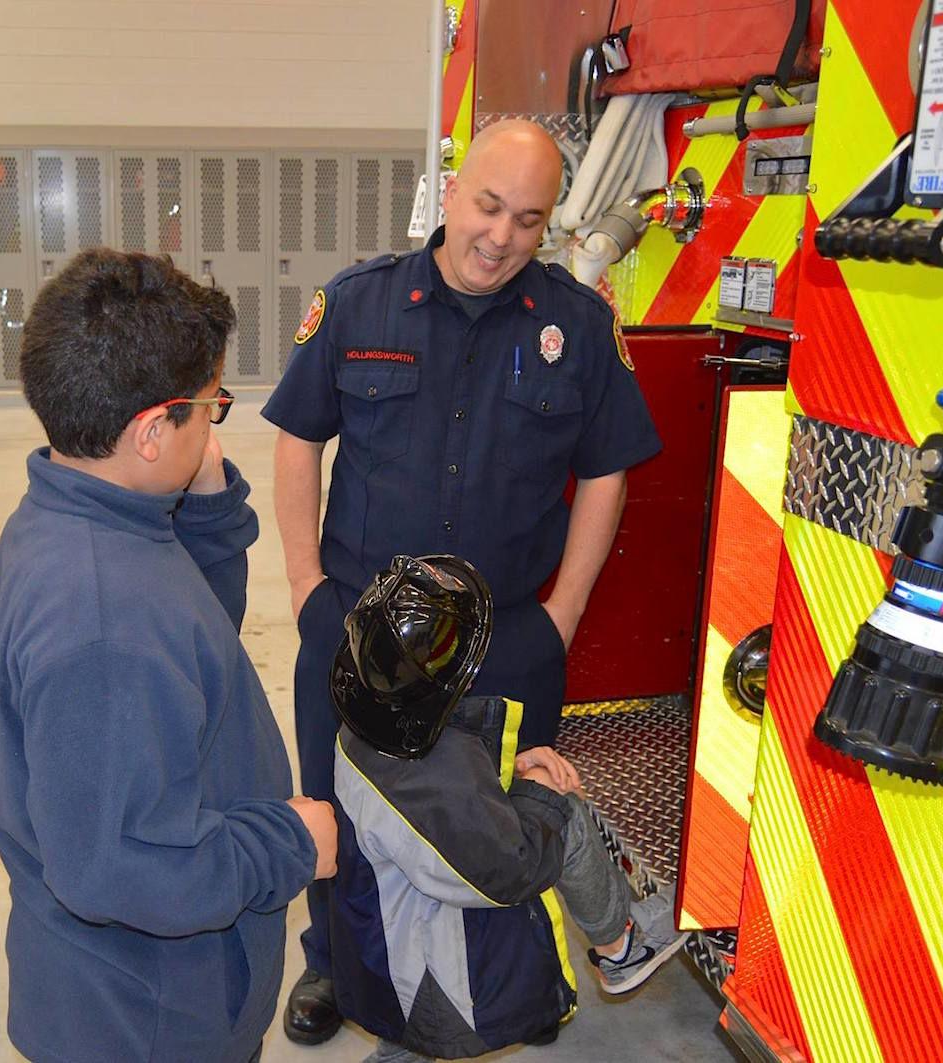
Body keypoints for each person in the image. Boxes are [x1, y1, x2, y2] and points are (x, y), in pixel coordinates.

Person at [261, 118, 664, 1043]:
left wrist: (563, 612)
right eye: (488, 206)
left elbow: (609, 470)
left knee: (503, 816)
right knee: (339, 807)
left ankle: (509, 978)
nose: (501, 236)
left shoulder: (578, 324)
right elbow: (298, 439)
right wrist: (303, 584)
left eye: (529, 218)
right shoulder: (359, 305)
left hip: (508, 642)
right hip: (357, 629)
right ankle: (333, 964)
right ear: (450, 191)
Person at [0, 247, 339, 1063]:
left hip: (140, 995)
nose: (217, 418)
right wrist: (288, 841)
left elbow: (185, 641)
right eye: (210, 405)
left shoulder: (78, 514)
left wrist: (205, 509)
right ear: (151, 431)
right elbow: (116, 867)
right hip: (147, 1019)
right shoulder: (104, 623)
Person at [329, 555, 688, 1062]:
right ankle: (621, 947)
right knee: (556, 803)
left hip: (385, 951)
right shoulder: (431, 772)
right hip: (443, 975)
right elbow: (507, 867)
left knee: (406, 1037)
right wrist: (540, 795)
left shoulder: (362, 730)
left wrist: (510, 766)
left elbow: (442, 806)